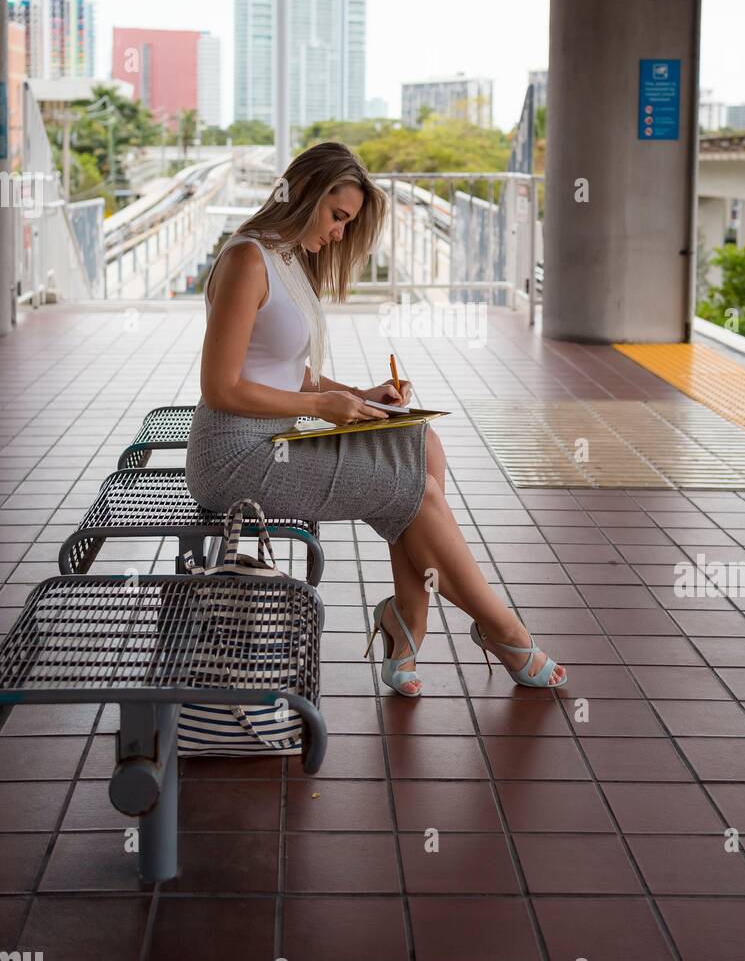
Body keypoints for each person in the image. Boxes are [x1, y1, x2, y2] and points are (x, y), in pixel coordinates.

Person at [185, 141, 567, 696]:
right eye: (337, 216)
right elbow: (219, 387)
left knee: (421, 442)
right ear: (306, 195)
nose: (339, 234)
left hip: (274, 438)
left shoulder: (287, 257)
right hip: (235, 460)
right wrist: (321, 408)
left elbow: (288, 372)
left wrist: (362, 395)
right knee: (418, 492)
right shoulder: (248, 259)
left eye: (348, 222)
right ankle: (501, 630)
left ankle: (407, 626)